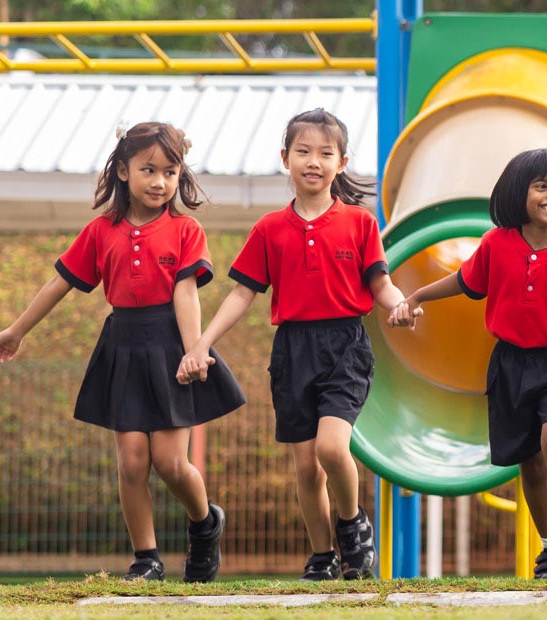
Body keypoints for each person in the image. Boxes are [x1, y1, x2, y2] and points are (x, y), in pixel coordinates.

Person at [0, 122, 242, 583]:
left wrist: (193, 352)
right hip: (122, 345)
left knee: (170, 463)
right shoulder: (100, 231)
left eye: (170, 171)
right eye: (149, 169)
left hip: (170, 347)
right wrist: (17, 330)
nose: (160, 182)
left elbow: (187, 294)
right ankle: (146, 558)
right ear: (123, 171)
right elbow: (61, 282)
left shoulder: (187, 229)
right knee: (131, 461)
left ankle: (205, 524)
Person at [390, 148, 547, 579]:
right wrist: (415, 297)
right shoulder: (496, 245)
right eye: (541, 186)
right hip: (510, 364)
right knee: (529, 459)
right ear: (515, 193)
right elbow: (465, 282)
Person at [174, 109, 397, 581]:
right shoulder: (270, 229)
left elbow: (382, 284)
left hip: (345, 346)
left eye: (324, 153)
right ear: (285, 159)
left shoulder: (359, 223)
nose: (313, 161)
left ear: (342, 162)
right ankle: (322, 555)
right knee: (305, 466)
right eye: (303, 152)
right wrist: (202, 344)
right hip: (292, 351)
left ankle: (353, 525)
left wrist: (399, 305)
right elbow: (241, 293)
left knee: (333, 450)